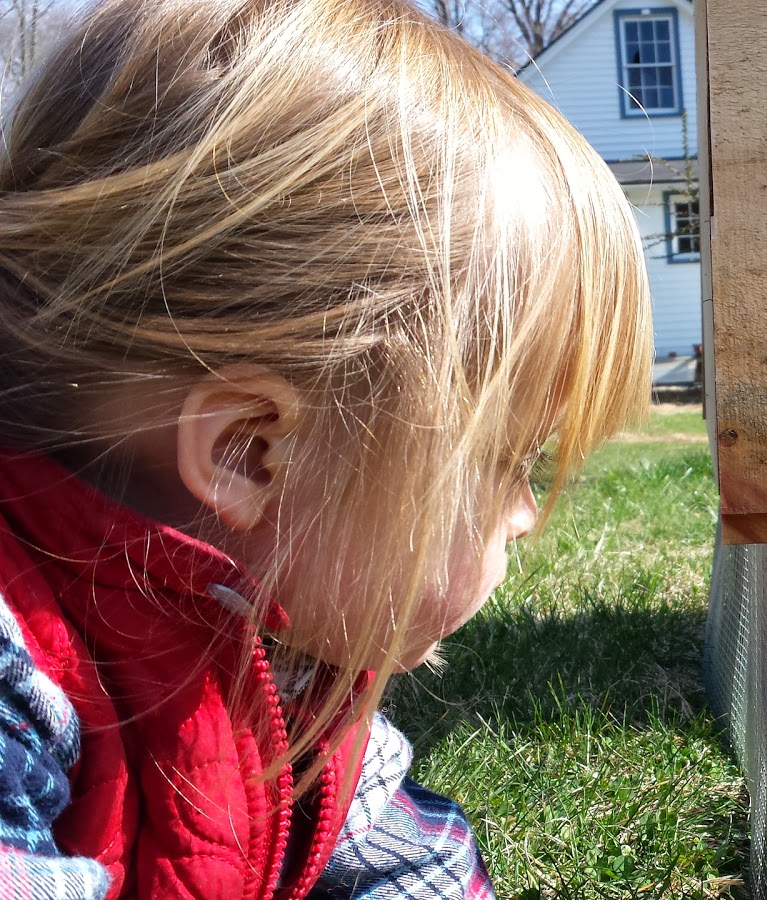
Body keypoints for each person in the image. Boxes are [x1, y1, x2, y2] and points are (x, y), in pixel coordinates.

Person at [0, 0, 652, 897]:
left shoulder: (285, 656)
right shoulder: (14, 679)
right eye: (511, 462)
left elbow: (412, 859)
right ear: (249, 452)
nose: (528, 516)